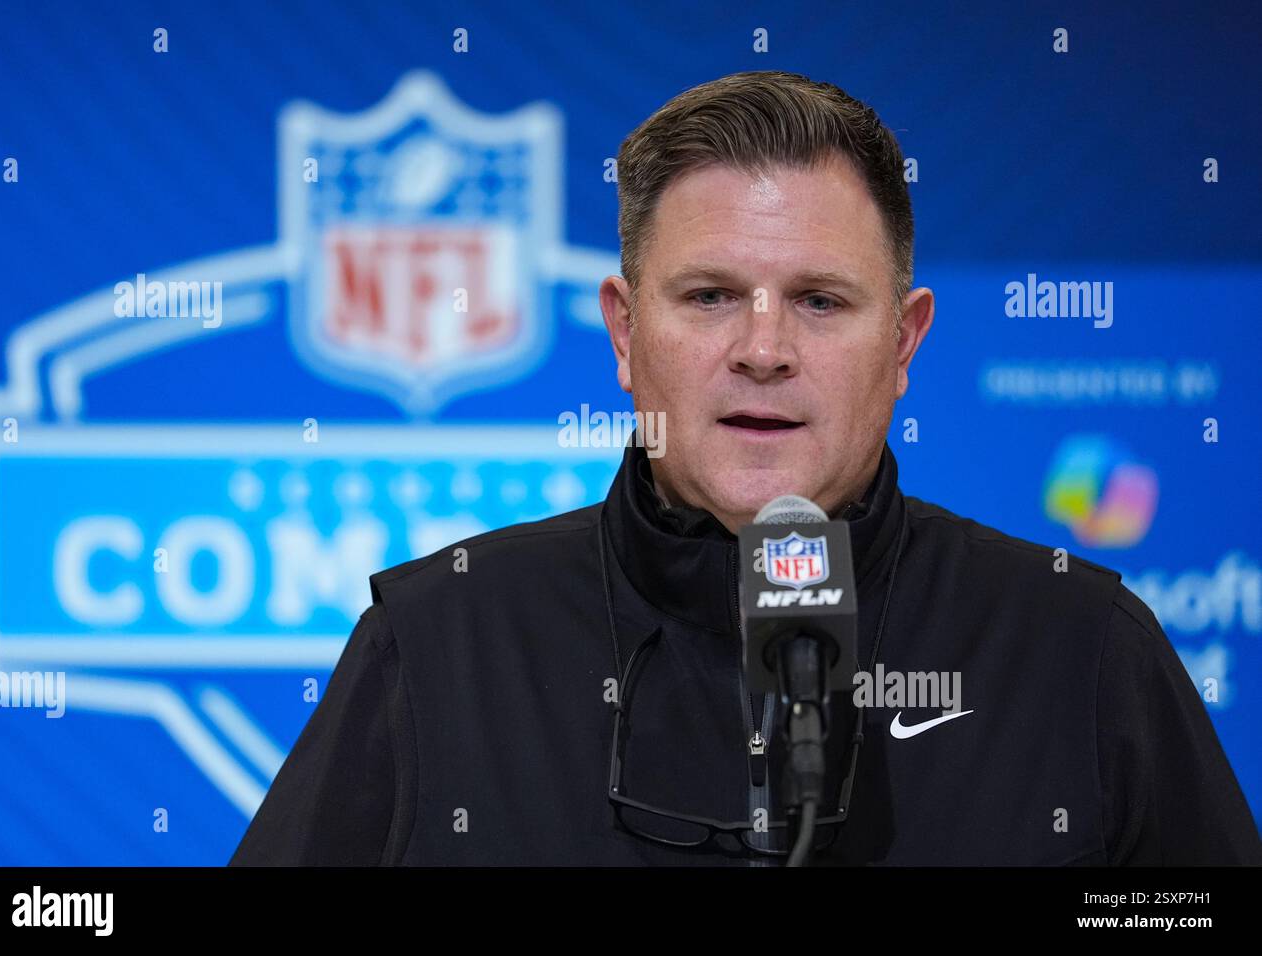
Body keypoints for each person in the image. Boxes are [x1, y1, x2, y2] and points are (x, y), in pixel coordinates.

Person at [230, 70, 1261, 866]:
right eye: (711, 295)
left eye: (819, 299)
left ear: (903, 345)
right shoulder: (441, 641)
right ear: (625, 335)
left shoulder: (1076, 646)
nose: (762, 348)